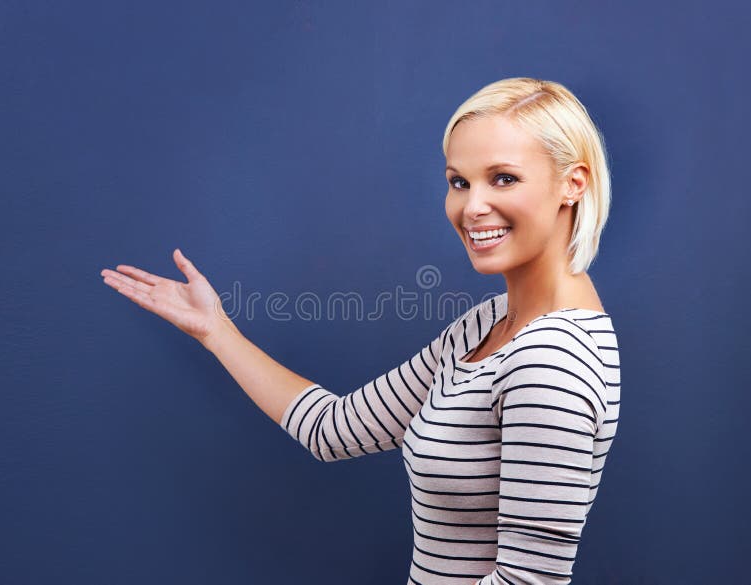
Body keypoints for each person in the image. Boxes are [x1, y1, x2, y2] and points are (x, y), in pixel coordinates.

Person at [100, 76, 621, 585]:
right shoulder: (487, 325)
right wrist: (215, 329)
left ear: (572, 184)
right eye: (458, 182)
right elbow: (336, 429)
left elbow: (529, 582)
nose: (472, 206)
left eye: (503, 178)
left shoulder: (551, 359)